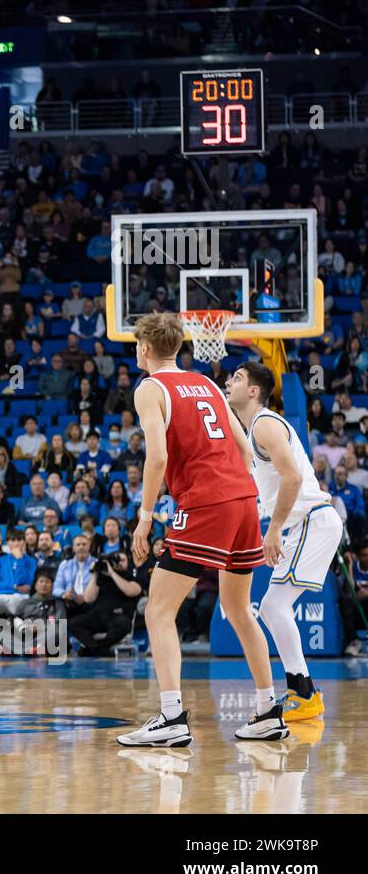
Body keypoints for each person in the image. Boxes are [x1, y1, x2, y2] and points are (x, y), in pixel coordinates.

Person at [118, 314, 288, 747]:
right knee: (237, 609)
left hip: (206, 503)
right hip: (242, 500)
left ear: (144, 348)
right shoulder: (209, 384)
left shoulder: (149, 389)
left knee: (158, 610)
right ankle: (268, 709)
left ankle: (172, 717)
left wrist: (144, 514)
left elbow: (156, 458)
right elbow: (245, 447)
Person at [226, 361, 344, 722]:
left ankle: (305, 694)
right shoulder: (251, 429)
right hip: (305, 524)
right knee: (273, 607)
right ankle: (305, 691)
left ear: (254, 392)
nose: (229, 382)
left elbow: (292, 478)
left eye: (238, 378)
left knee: (274, 607)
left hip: (312, 520)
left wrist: (273, 529)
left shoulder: (265, 423)